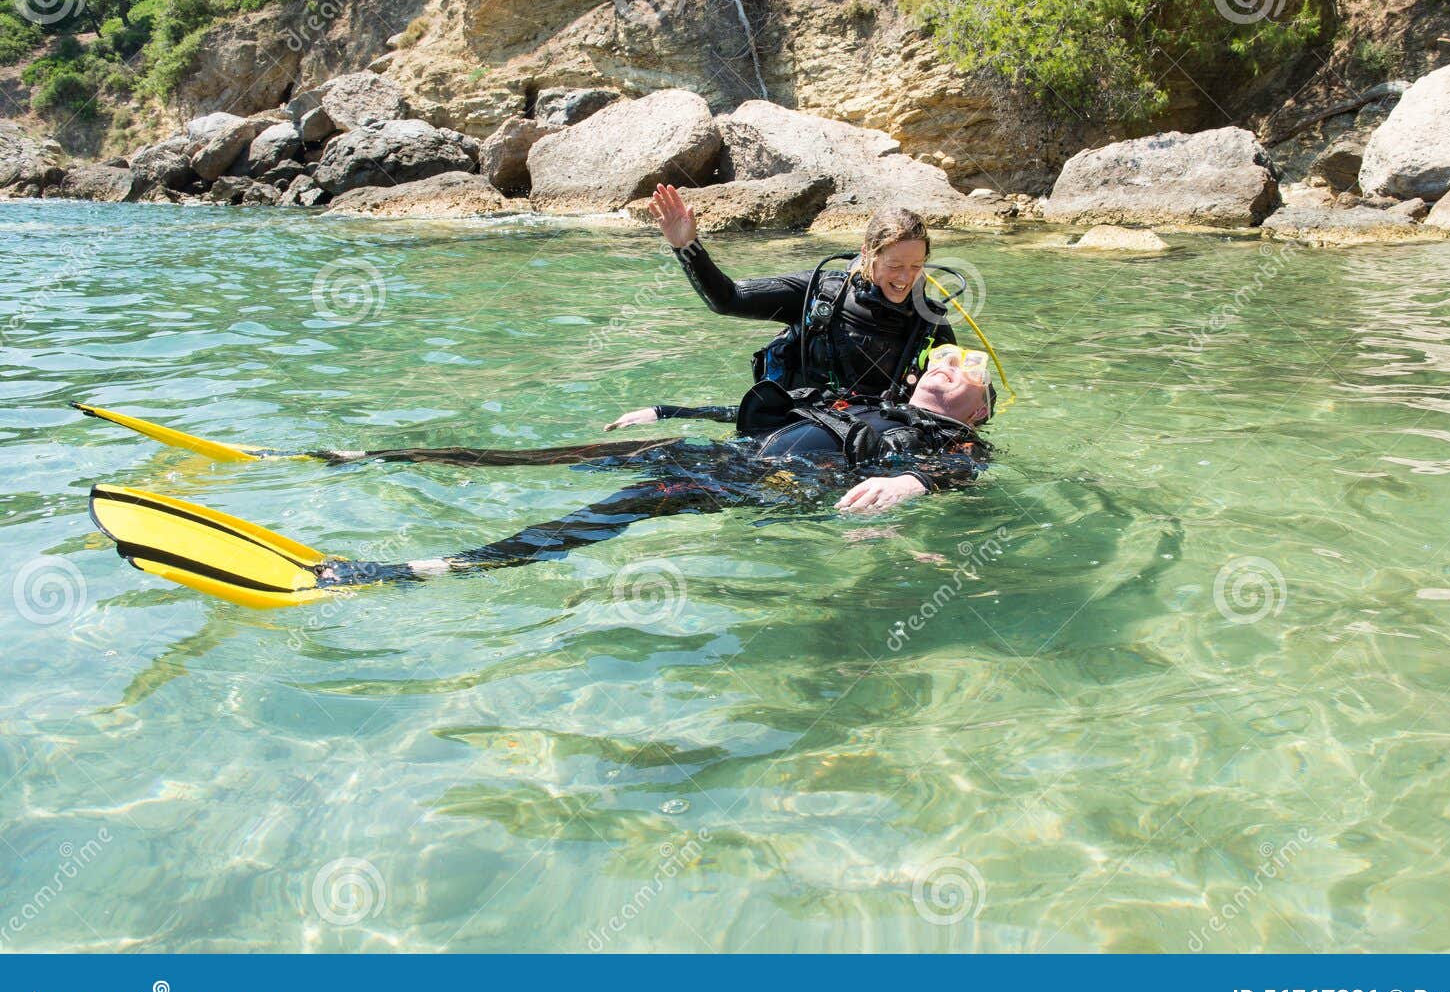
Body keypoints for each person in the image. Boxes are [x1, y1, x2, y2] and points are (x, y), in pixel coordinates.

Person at [87, 347, 998, 608]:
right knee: (553, 456)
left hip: (766, 493)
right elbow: (771, 412)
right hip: (727, 452)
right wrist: (665, 415)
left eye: (963, 370)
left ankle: (409, 571)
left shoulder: (946, 443)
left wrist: (917, 488)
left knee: (618, 507)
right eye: (940, 359)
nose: (944, 365)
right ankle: (343, 458)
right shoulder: (860, 395)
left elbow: (965, 470)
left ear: (977, 406)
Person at [646, 184, 959, 404]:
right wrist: (687, 247)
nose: (905, 278)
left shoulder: (928, 323)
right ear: (867, 255)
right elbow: (727, 299)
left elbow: (961, 397)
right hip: (803, 427)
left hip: (873, 445)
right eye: (895, 265)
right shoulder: (820, 293)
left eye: (916, 265)